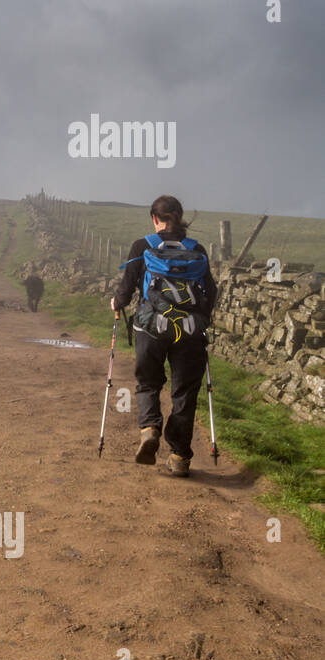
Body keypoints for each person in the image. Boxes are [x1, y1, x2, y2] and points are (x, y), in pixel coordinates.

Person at [110, 196, 218, 477]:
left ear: (154, 219)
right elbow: (211, 291)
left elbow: (127, 286)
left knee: (148, 382)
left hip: (151, 327)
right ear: (180, 218)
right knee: (184, 393)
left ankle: (149, 429)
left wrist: (117, 302)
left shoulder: (142, 246)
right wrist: (201, 318)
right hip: (190, 331)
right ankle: (180, 457)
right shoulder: (197, 250)